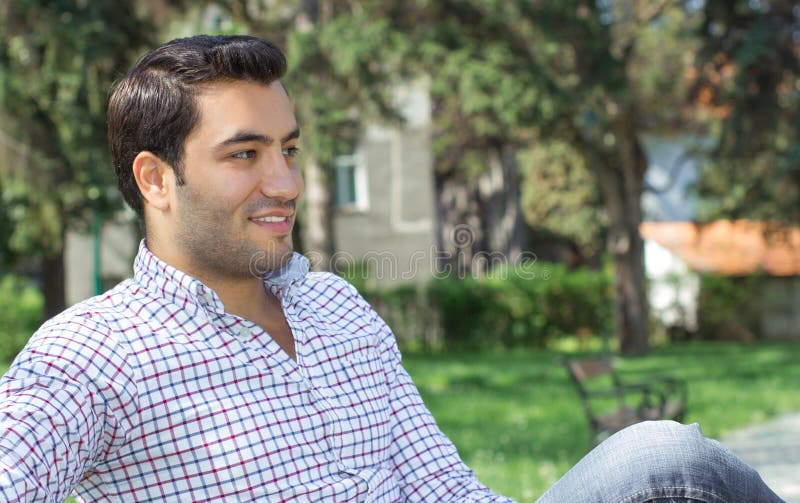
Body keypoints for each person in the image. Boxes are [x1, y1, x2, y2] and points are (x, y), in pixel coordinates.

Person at [0, 34, 783, 503]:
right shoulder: (98, 353)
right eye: (245, 154)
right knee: (665, 460)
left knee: (667, 463)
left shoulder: (337, 309)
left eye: (290, 150)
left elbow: (445, 487)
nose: (286, 182)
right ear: (154, 178)